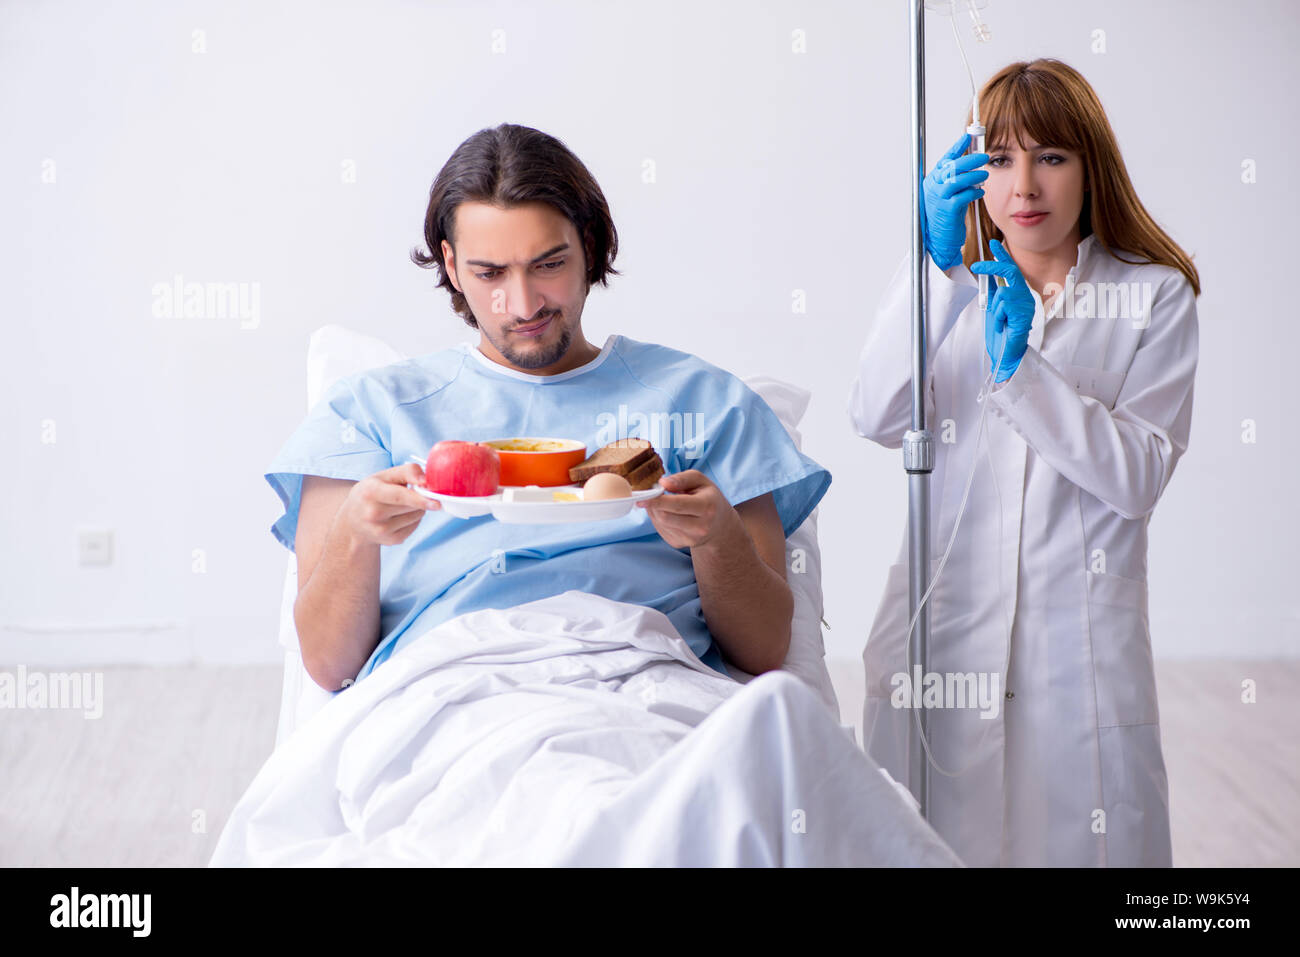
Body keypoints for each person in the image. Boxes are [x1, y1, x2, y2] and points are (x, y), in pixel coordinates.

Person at [266, 123, 831, 692]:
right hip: (453, 686)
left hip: (650, 683)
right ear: (452, 265)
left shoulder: (706, 403)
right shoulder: (369, 411)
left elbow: (762, 651)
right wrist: (355, 536)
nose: (525, 304)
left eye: (549, 265)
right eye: (490, 274)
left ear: (588, 246)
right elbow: (329, 665)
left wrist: (717, 538)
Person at [848, 59, 1200, 866]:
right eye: (1000, 159)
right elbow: (874, 413)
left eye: (1051, 157)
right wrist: (930, 274)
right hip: (944, 641)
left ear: (1090, 166)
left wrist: (1024, 376)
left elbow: (1138, 474)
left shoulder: (1154, 296)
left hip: (1074, 657)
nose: (1024, 185)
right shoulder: (948, 291)